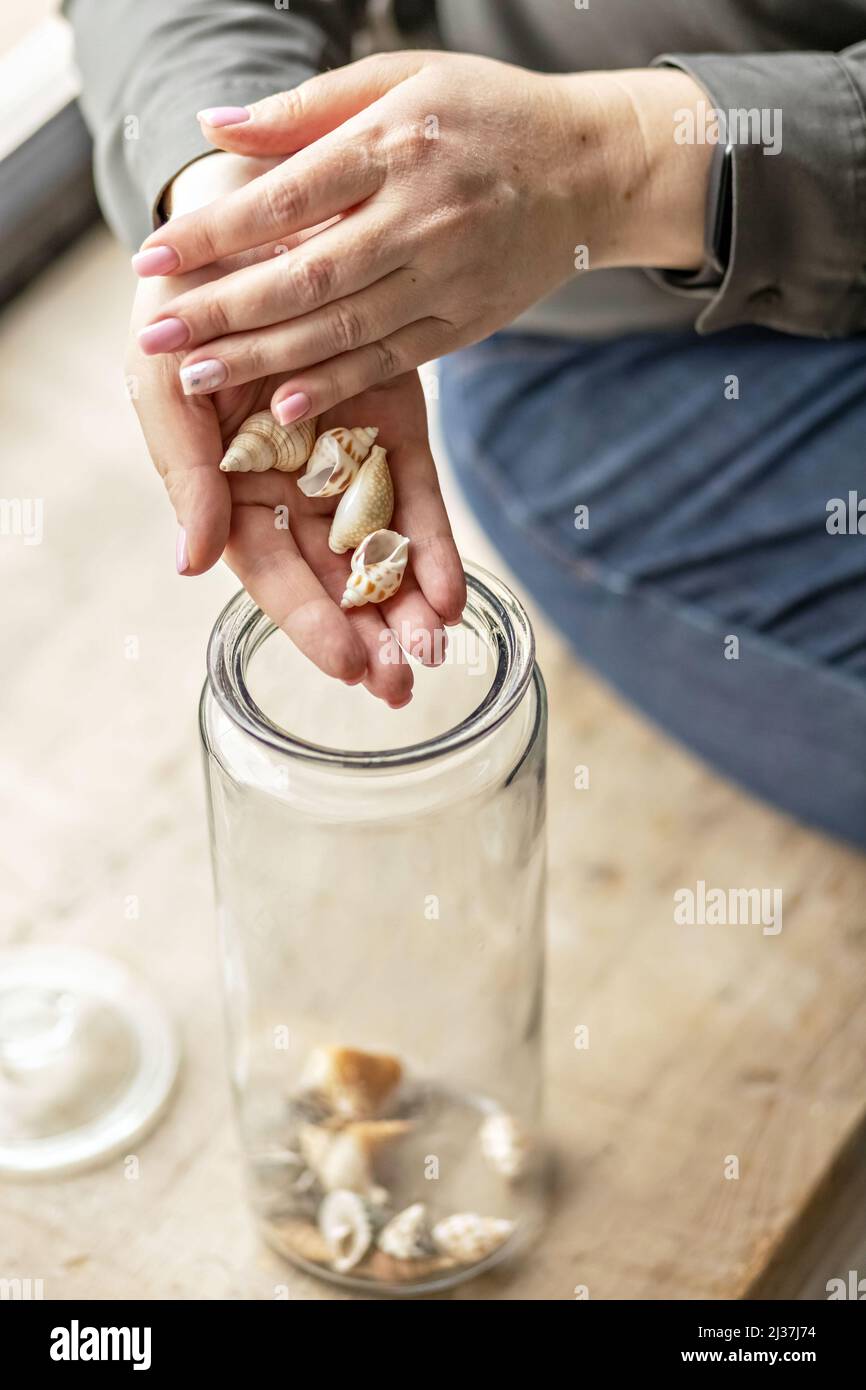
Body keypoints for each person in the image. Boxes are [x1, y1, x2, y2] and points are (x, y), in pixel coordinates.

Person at [65, 0, 866, 844]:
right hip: (606, 322)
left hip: (651, 233)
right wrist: (226, 190)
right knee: (523, 452)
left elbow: (596, 164)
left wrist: (622, 157)